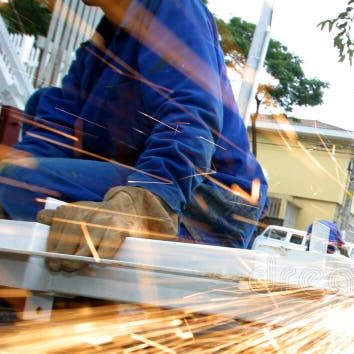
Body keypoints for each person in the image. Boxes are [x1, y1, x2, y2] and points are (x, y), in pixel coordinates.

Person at [0, 0, 267, 272]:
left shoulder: (174, 7)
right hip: (144, 179)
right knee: (15, 176)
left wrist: (141, 204)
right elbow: (60, 126)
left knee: (18, 184)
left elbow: (190, 116)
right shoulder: (103, 43)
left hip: (211, 199)